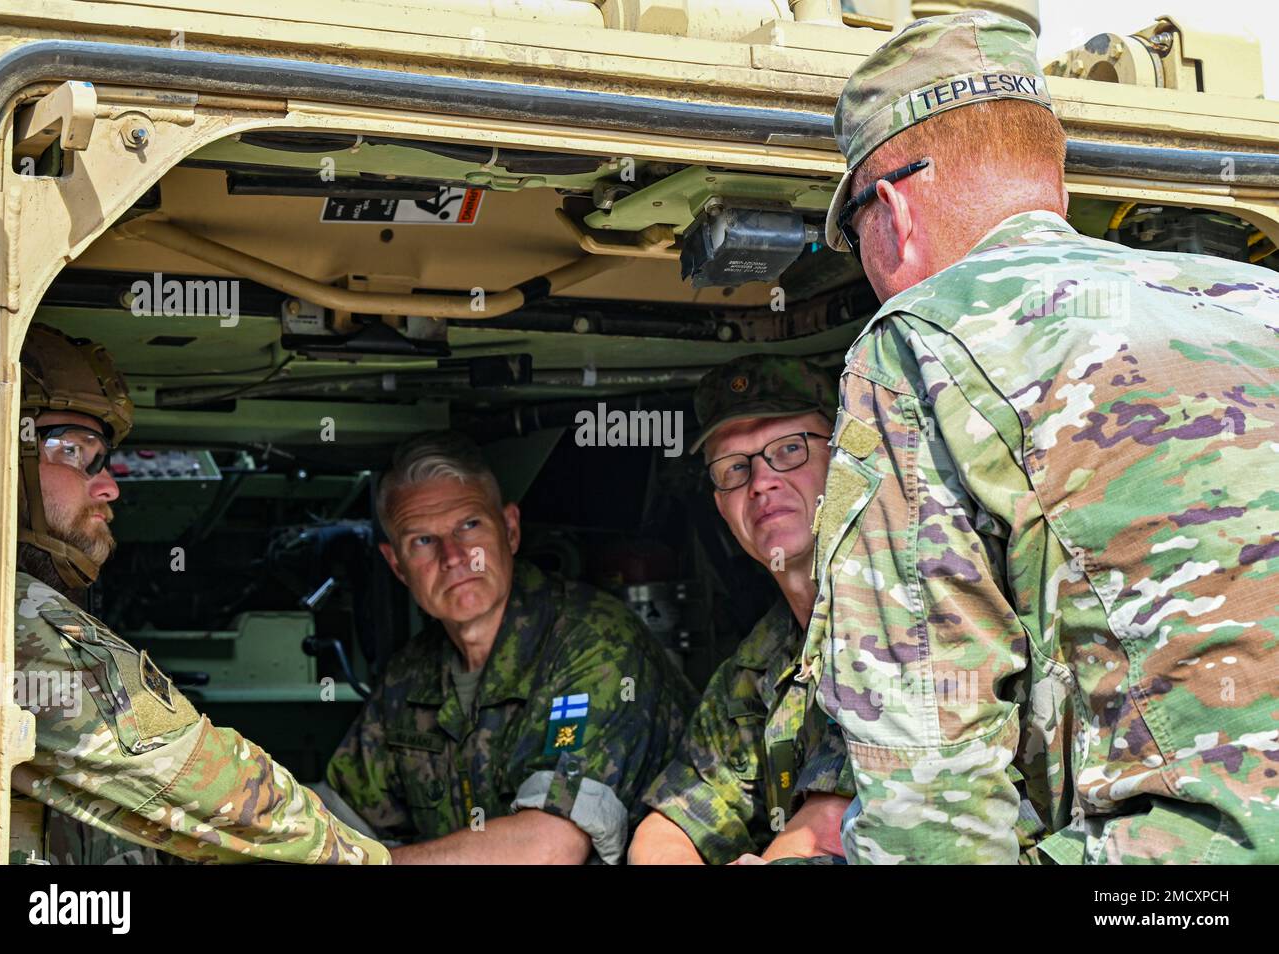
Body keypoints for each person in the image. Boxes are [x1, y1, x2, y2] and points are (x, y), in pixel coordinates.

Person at [806, 9, 1279, 864]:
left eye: (855, 238)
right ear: (1052, 188)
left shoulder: (921, 341)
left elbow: (929, 794)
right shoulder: (1259, 300)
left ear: (893, 210)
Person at [11, 323, 389, 864]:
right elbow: (201, 782)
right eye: (72, 450)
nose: (109, 486)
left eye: (100, 458)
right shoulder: (13, 613)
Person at [325, 431, 695, 864]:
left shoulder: (595, 642)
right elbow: (340, 813)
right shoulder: (412, 674)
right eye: (423, 541)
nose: (453, 556)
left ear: (511, 530)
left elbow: (549, 847)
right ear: (397, 566)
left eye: (469, 526)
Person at [628, 355, 852, 865]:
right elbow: (666, 830)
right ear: (721, 505)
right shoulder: (758, 664)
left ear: (844, 460)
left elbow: (830, 828)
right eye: (735, 467)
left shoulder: (906, 617)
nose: (761, 482)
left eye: (790, 450)